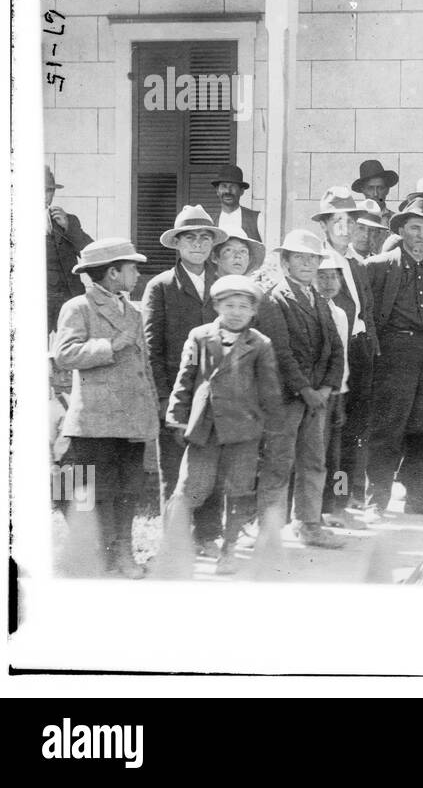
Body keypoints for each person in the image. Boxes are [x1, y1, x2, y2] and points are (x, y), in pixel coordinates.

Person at [164, 275, 285, 575]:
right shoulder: (200, 336)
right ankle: (171, 548)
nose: (236, 312)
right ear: (217, 305)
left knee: (238, 491)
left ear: (253, 312)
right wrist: (178, 418)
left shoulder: (261, 344)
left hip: (243, 431)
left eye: (244, 307)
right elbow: (186, 378)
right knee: (190, 488)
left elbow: (270, 390)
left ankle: (228, 550)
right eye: (229, 305)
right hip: (205, 427)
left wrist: (271, 430)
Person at [54, 239, 160, 578]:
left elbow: (144, 368)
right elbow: (65, 354)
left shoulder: (134, 311)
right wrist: (111, 345)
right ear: (113, 272)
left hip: (130, 422)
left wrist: (151, 412)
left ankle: (123, 555)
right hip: (93, 422)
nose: (137, 274)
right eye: (132, 267)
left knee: (128, 492)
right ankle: (94, 553)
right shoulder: (78, 307)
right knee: (81, 491)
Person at [361, 198, 423, 520]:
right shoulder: (379, 265)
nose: (422, 235)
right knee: (388, 428)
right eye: (415, 227)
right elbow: (368, 314)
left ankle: (419, 498)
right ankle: (377, 500)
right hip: (395, 352)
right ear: (401, 230)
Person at [254, 229, 346, 548]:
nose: (307, 263)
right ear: (285, 262)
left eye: (312, 258)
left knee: (313, 460)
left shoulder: (318, 299)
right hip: (286, 397)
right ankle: (268, 528)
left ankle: (308, 524)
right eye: (300, 258)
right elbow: (280, 352)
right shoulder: (273, 299)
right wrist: (305, 389)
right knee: (279, 460)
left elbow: (336, 347)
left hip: (316, 398)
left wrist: (326, 388)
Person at [143, 205, 225, 529]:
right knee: (176, 469)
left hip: (216, 394)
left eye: (205, 237)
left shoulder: (223, 284)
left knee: (212, 468)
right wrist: (164, 400)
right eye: (189, 237)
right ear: (177, 243)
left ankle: (208, 535)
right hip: (178, 395)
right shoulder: (161, 287)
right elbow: (152, 349)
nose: (198, 244)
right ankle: (175, 539)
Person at [311, 186, 379, 516]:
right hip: (335, 356)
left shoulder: (358, 262)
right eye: (336, 220)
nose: (344, 227)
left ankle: (353, 494)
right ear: (324, 226)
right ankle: (333, 500)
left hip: (362, 352)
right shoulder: (320, 264)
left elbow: (367, 312)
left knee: (358, 429)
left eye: (350, 220)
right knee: (333, 432)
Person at [314, 254, 355, 527]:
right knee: (314, 453)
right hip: (314, 392)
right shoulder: (311, 308)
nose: (329, 283)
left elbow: (343, 358)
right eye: (323, 276)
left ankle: (335, 505)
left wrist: (339, 396)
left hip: (335, 392)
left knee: (334, 454)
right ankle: (311, 510)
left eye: (334, 276)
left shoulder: (339, 313)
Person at [45, 165, 93, 332]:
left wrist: (68, 228)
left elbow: (91, 254)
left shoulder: (69, 220)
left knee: (71, 350)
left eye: (49, 191)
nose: (45, 196)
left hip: (69, 300)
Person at [209, 165, 262, 242]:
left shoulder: (257, 219)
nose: (228, 191)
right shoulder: (210, 222)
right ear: (217, 191)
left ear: (241, 191)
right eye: (224, 186)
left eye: (233, 186)